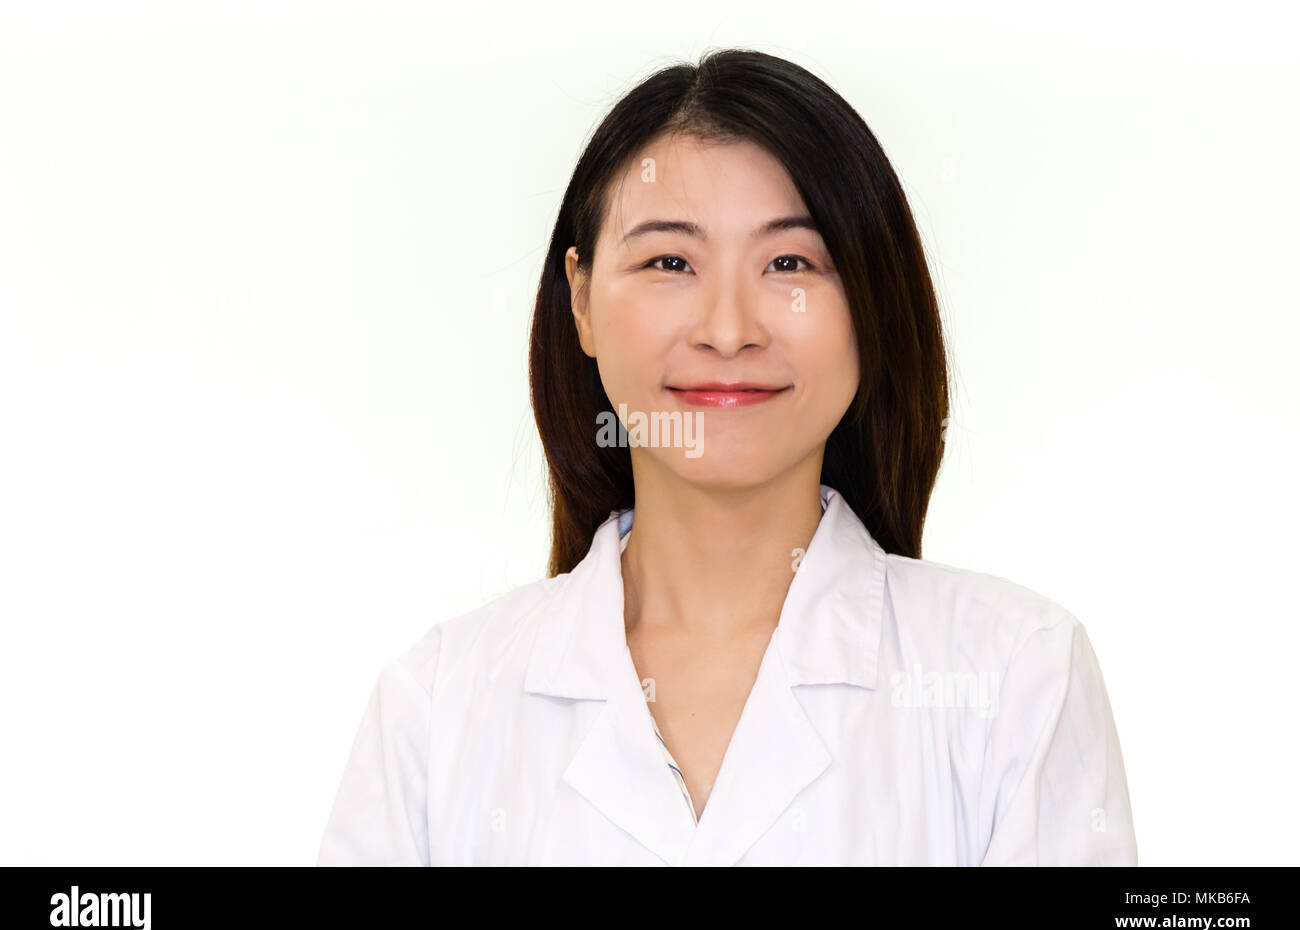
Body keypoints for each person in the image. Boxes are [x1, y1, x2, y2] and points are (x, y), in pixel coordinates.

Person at [316, 48, 1137, 866]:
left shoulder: (1017, 679)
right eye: (669, 261)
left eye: (790, 263)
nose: (728, 327)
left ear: (869, 302)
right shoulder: (436, 709)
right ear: (581, 301)